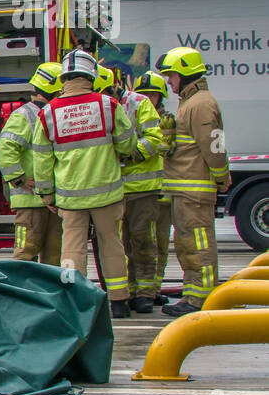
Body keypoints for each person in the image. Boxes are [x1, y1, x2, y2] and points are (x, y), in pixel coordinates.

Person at [32, 50, 136, 318]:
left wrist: (47, 195)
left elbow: (42, 161)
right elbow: (127, 144)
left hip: (70, 198)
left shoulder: (47, 114)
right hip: (108, 194)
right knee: (112, 244)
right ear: (91, 76)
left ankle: (76, 303)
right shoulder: (109, 105)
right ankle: (119, 301)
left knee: (72, 248)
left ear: (64, 77)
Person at [156, 47, 230, 316]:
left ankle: (202, 300)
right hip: (185, 191)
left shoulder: (199, 103)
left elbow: (214, 147)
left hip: (193, 192)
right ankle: (192, 295)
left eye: (172, 75)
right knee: (189, 247)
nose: (168, 81)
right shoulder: (190, 103)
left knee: (199, 247)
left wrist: (222, 176)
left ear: (186, 72)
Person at [0, 62, 63, 264]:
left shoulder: (52, 112)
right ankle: (23, 295)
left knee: (54, 258)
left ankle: (48, 295)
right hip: (30, 202)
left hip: (52, 200)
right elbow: (4, 150)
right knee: (25, 255)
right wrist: (20, 180)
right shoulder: (25, 115)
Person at [135, 71, 175, 306]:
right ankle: (143, 289)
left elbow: (166, 150)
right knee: (141, 242)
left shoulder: (168, 120)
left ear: (161, 97)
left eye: (153, 94)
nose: (149, 99)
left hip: (164, 191)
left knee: (160, 243)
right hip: (142, 191)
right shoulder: (135, 117)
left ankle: (155, 287)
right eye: (144, 94)